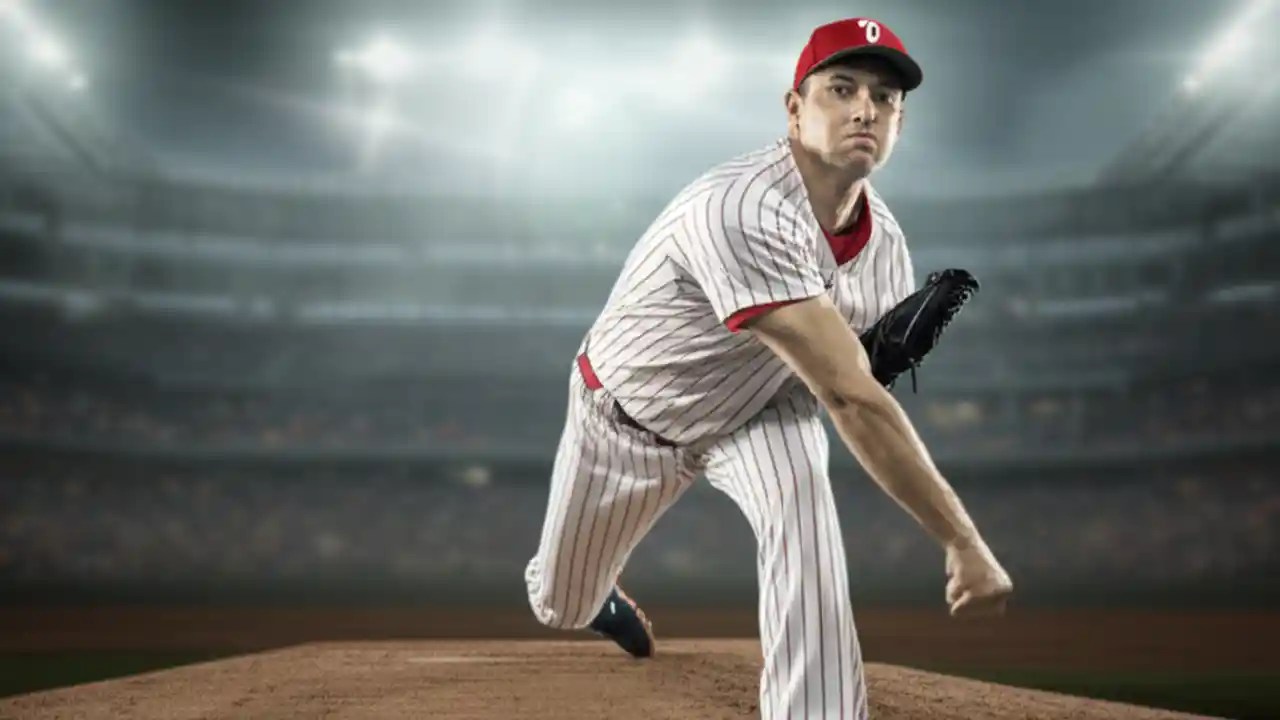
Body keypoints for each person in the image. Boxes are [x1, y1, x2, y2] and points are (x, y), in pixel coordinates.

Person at [524, 16, 1013, 719]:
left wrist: (873, 361)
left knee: (803, 505)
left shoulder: (886, 250)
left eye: (885, 97)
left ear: (900, 122)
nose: (865, 109)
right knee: (559, 606)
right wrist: (962, 540)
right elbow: (850, 398)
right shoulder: (741, 206)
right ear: (794, 108)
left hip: (758, 409)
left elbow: (848, 381)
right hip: (626, 420)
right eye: (841, 88)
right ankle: (589, 597)